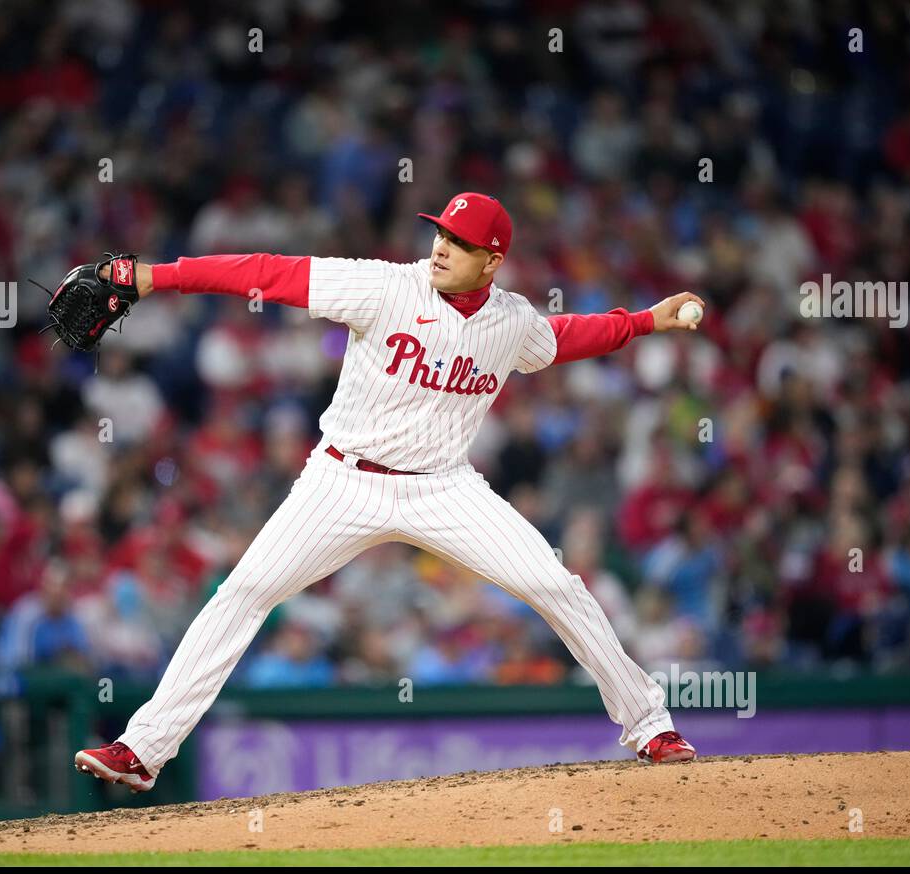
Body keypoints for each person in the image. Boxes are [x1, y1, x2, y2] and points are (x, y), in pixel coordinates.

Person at [74, 192, 705, 792]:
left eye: (458, 242)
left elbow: (560, 339)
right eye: (439, 232)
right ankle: (144, 749)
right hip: (342, 481)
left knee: (557, 585)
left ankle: (650, 725)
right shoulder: (385, 286)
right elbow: (268, 272)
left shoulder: (509, 321)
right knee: (243, 591)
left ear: (492, 261)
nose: (440, 247)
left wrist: (647, 321)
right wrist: (155, 277)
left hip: (445, 488)